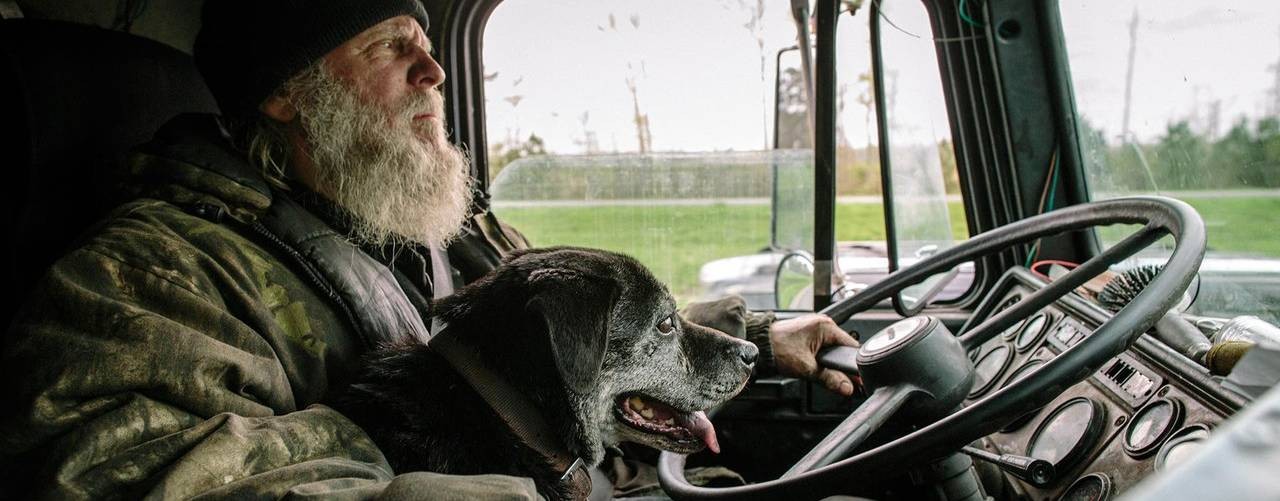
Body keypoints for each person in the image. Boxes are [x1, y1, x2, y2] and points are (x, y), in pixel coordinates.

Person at [0, 1, 859, 499]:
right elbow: (121, 479)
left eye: (426, 42)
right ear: (289, 97)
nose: (434, 72)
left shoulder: (436, 225)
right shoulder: (154, 275)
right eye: (389, 47)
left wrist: (751, 337)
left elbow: (588, 333)